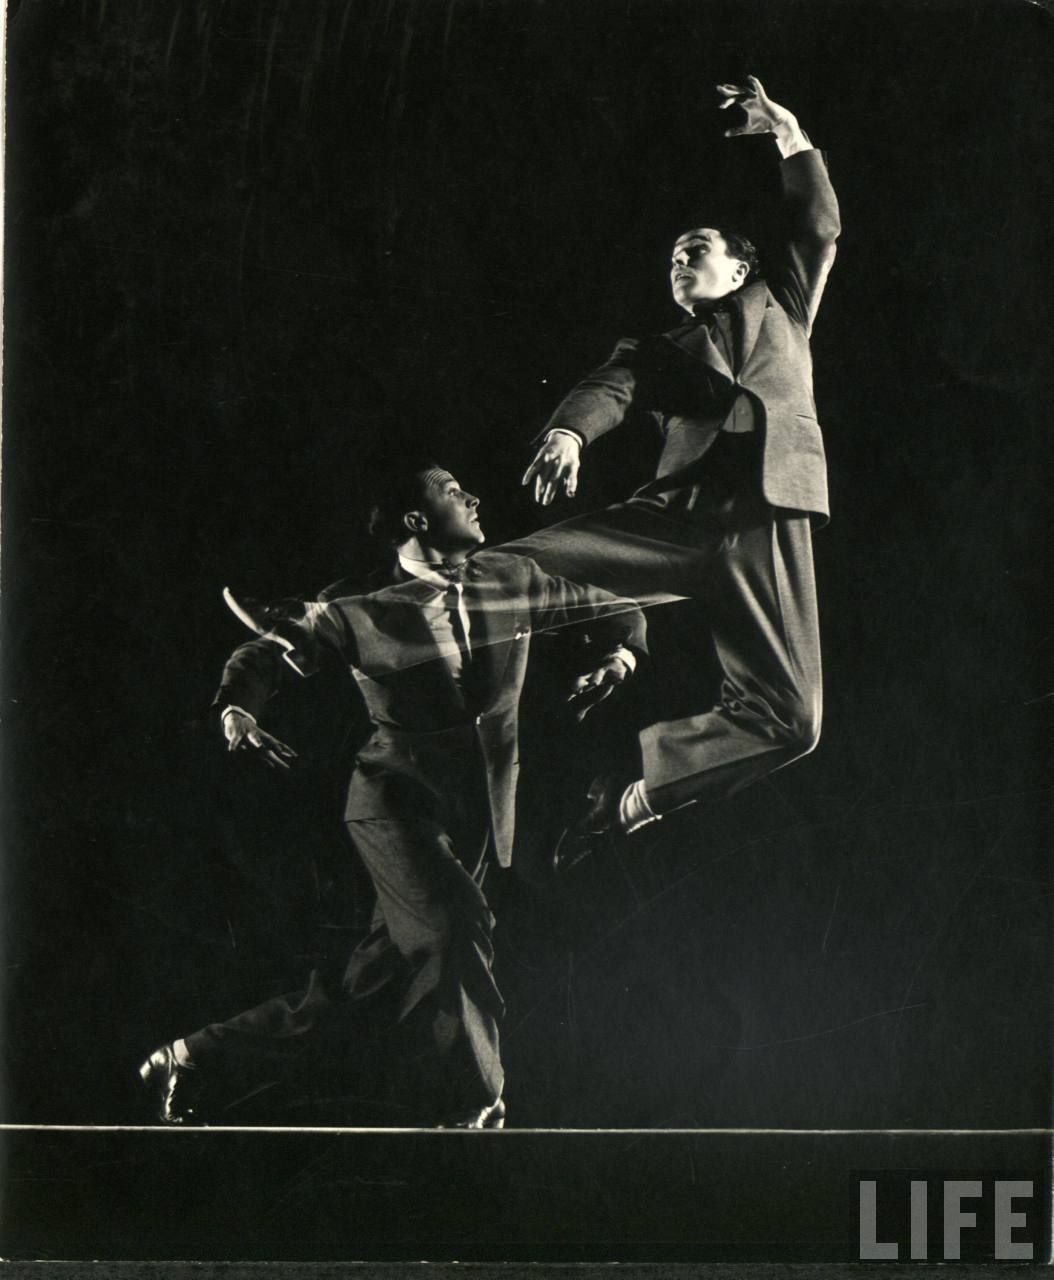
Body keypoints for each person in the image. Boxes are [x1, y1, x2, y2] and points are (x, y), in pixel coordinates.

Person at [139, 462, 647, 1128]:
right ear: (417, 518)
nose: (473, 496)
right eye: (453, 490)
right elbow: (265, 652)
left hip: (476, 815)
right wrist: (237, 711)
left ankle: (195, 1057)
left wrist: (621, 657)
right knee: (455, 929)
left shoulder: (514, 578)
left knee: (364, 994)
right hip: (393, 801)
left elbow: (614, 608)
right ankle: (478, 1098)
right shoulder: (359, 606)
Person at [509, 76, 840, 857]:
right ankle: (334, 622)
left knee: (793, 720)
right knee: (515, 570)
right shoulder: (661, 352)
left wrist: (789, 136)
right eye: (670, 259)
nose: (679, 262)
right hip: (682, 513)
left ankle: (627, 803)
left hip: (770, 514)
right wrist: (569, 435)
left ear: (738, 267)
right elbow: (613, 386)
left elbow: (818, 227)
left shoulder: (782, 304)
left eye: (695, 250)